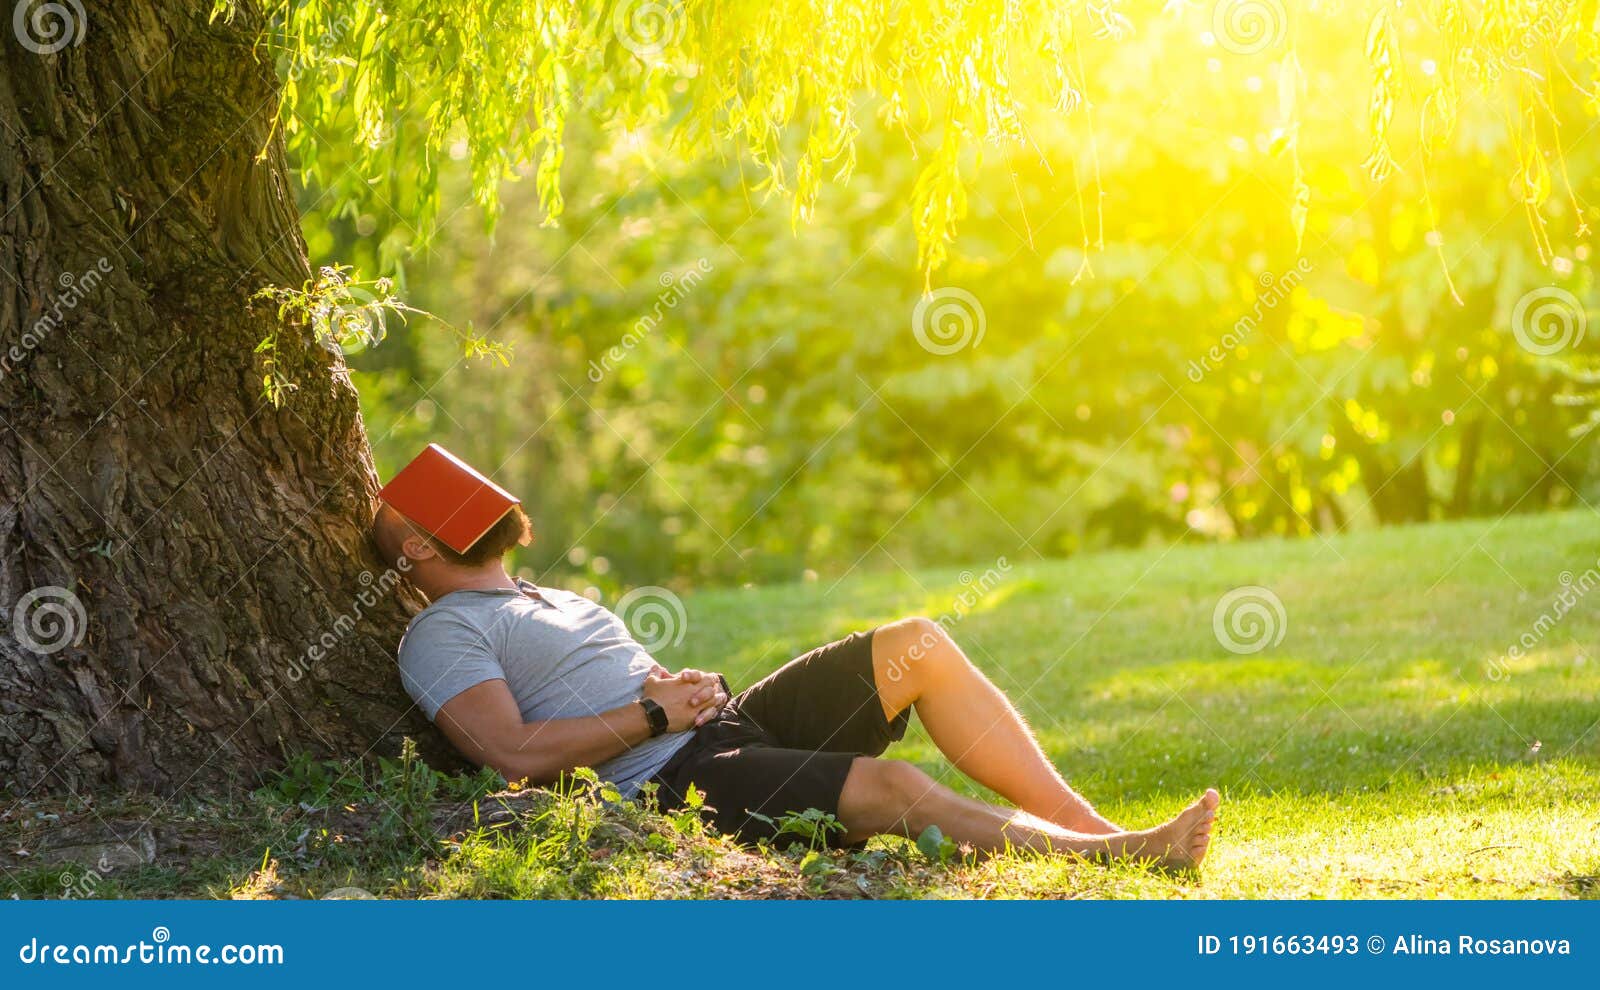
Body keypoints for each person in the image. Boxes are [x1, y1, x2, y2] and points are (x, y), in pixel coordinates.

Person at [371, 501, 1219, 866]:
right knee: (895, 788)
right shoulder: (441, 632)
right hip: (671, 782)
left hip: (715, 725)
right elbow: (512, 754)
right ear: (414, 546)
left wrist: (677, 692)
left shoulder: (534, 592)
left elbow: (604, 690)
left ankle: (1086, 824)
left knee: (915, 644)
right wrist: (650, 711)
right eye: (413, 503)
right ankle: (1118, 856)